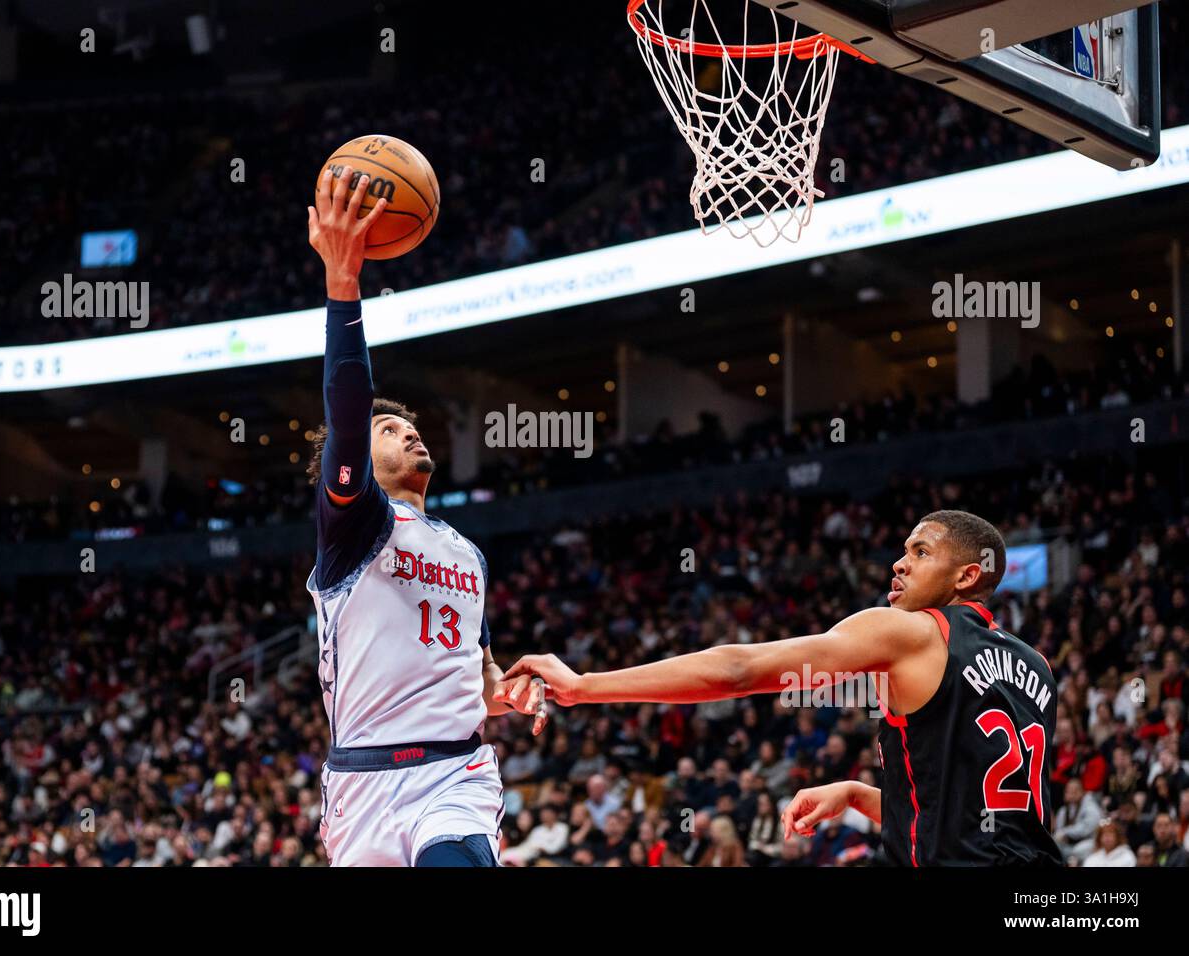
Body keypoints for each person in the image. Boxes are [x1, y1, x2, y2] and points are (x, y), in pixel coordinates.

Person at [499, 510, 1065, 866]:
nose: (898, 563)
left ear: (967, 576)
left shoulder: (910, 632)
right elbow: (980, 817)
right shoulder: (1037, 667)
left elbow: (740, 670)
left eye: (920, 551)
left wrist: (585, 685)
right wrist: (854, 794)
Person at [304, 167, 545, 866]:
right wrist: (343, 286)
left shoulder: (467, 552)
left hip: (454, 774)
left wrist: (508, 696)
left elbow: (481, 674)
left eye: (409, 429)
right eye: (388, 432)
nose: (408, 433)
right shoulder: (352, 527)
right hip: (360, 787)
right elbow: (347, 414)